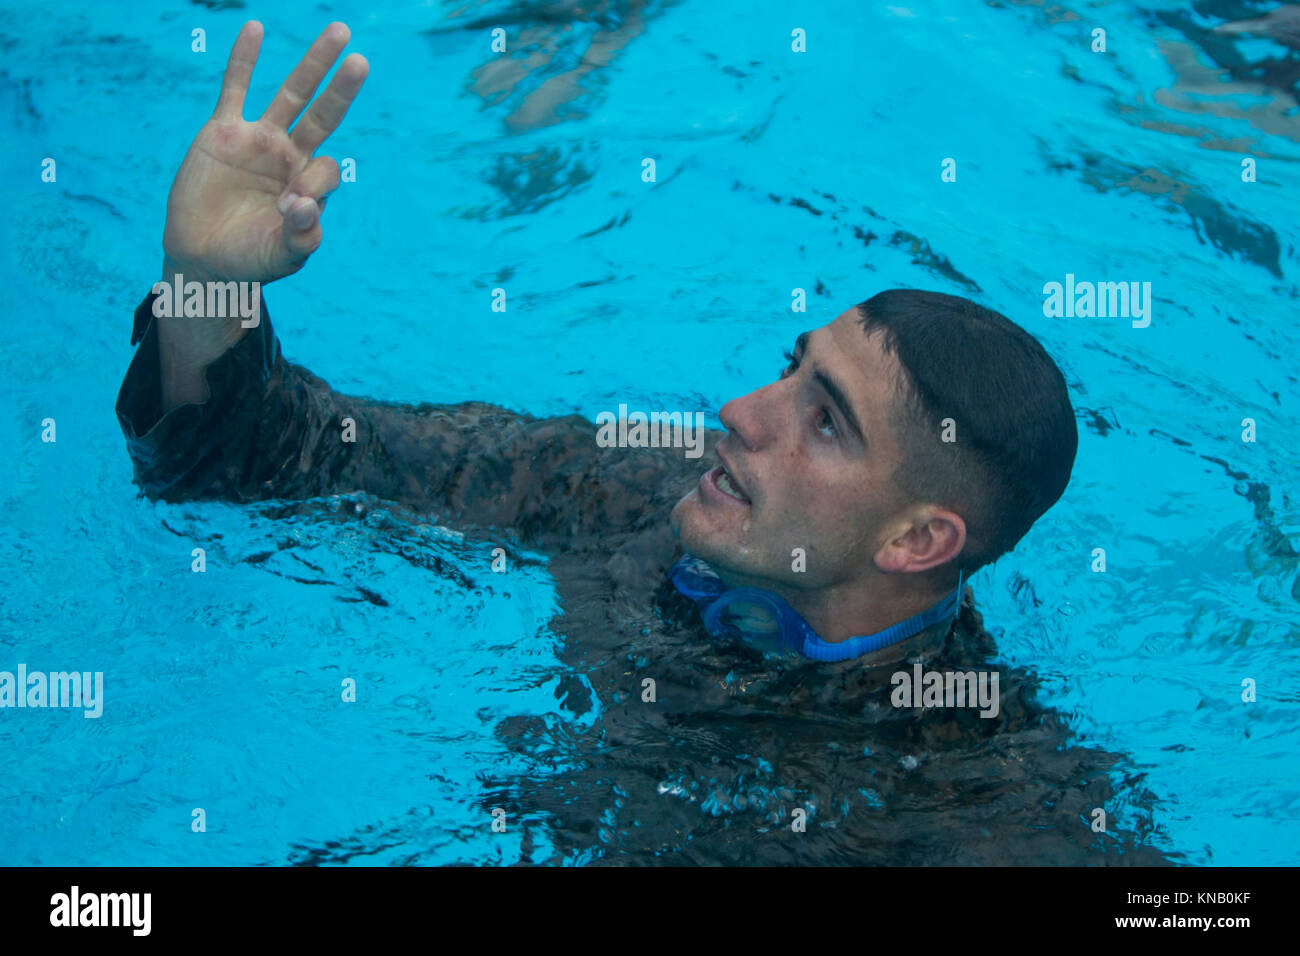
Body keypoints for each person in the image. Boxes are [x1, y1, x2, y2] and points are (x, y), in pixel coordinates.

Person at [117, 21, 1171, 865]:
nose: (738, 411)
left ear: (917, 538)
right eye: (790, 367)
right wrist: (210, 281)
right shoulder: (636, 492)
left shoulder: (987, 794)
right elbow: (282, 460)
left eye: (825, 419)